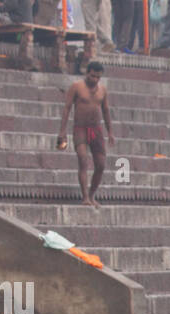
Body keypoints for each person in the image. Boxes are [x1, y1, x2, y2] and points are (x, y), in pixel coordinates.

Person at [58, 62, 115, 207]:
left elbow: (106, 111)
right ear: (87, 73)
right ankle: (85, 197)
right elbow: (67, 108)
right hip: (80, 128)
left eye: (97, 77)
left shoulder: (103, 90)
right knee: (83, 160)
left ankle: (92, 195)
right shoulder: (77, 87)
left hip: (96, 129)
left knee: (101, 165)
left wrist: (110, 132)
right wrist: (62, 131)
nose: (94, 79)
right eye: (92, 76)